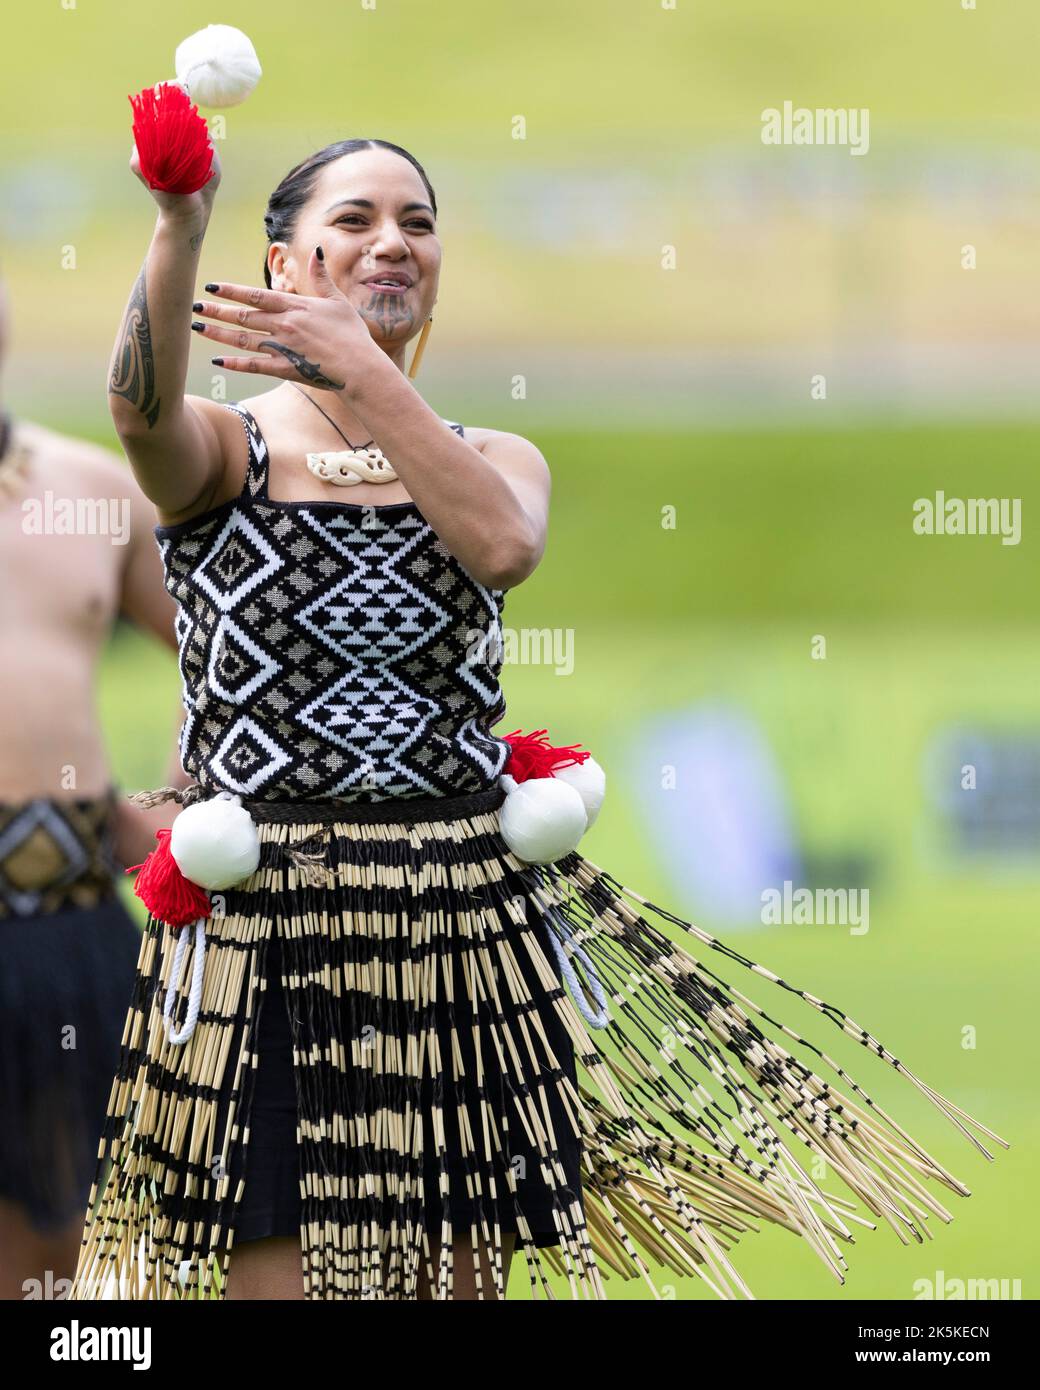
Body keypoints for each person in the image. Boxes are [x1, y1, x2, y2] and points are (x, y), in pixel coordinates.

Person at [68, 138, 1007, 1303]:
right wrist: (177, 223)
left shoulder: (493, 456)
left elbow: (500, 547)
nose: (392, 241)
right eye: (354, 219)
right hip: (271, 923)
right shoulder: (230, 453)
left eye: (417, 220)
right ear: (285, 263)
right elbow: (136, 406)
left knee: (459, 1286)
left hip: (460, 920)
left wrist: (368, 376)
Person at [0, 271, 190, 1299]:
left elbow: (224, 652)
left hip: (74, 934)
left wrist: (171, 812)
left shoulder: (93, 489)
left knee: (92, 1257)